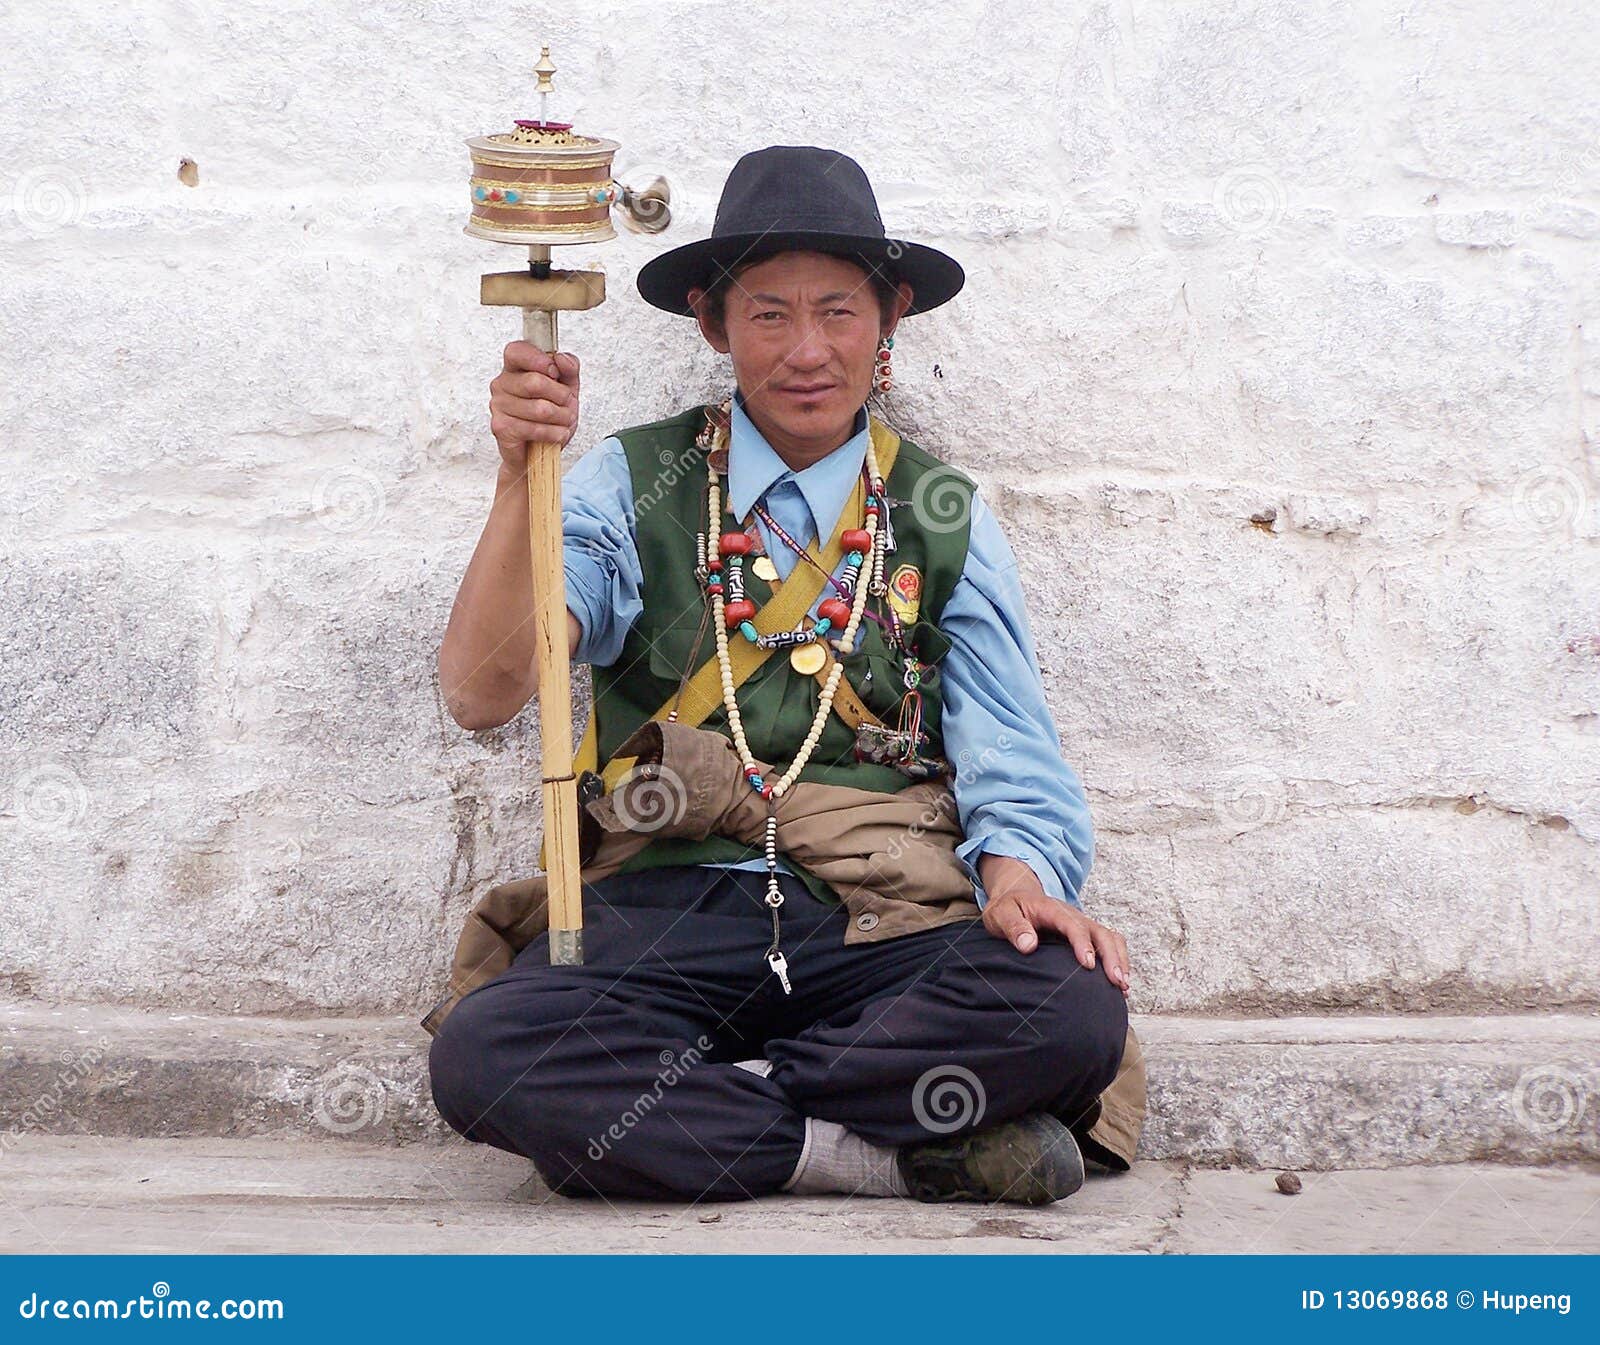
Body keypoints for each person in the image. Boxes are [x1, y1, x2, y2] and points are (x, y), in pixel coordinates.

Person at [427, 146, 1136, 1205]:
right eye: (767, 315)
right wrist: (514, 478)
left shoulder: (941, 514)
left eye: (837, 312)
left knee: (1070, 1008)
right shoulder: (634, 480)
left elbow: (1011, 757)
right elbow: (483, 692)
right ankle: (879, 1152)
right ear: (714, 325)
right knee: (488, 1052)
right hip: (669, 915)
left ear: (889, 317)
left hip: (875, 927)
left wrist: (1019, 885)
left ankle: (699, 1115)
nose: (807, 351)